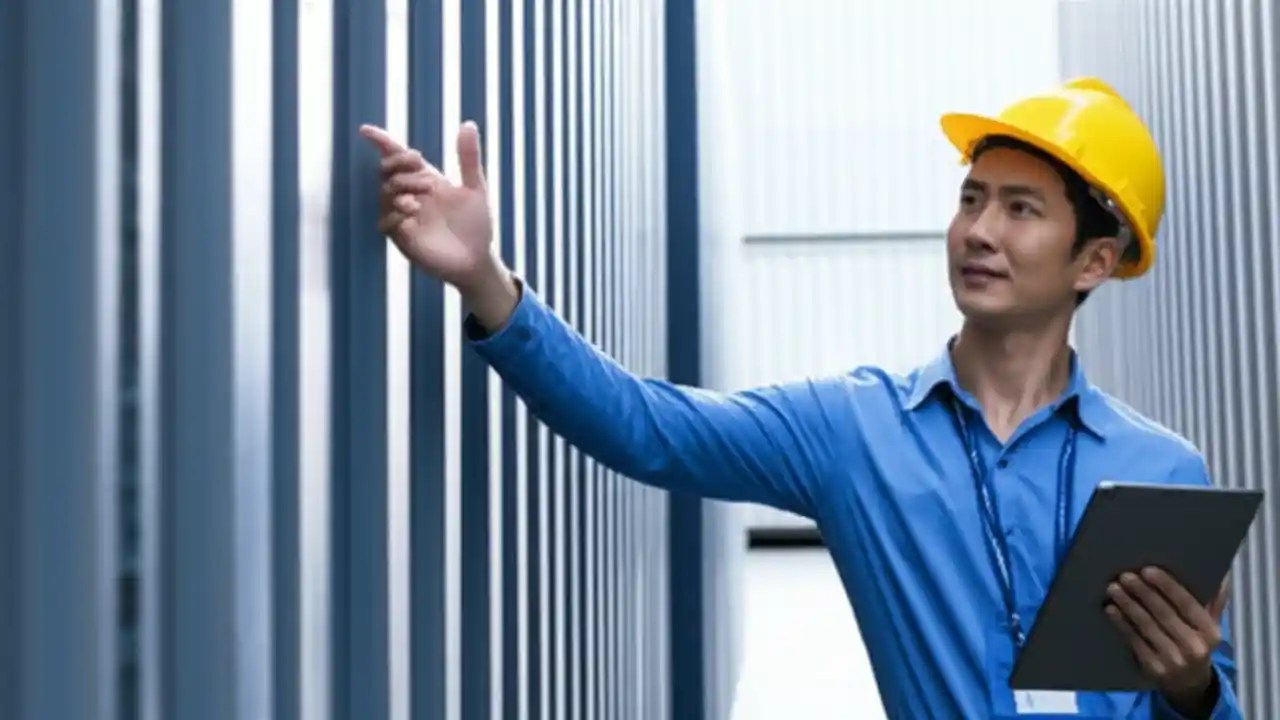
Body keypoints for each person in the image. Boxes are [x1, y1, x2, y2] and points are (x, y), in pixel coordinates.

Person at [359, 77, 1241, 719]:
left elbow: (1206, 706)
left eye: (1020, 210)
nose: (978, 231)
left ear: (1094, 261)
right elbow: (646, 425)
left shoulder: (1160, 468)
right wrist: (483, 281)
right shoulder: (853, 431)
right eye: (972, 199)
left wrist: (1193, 688)